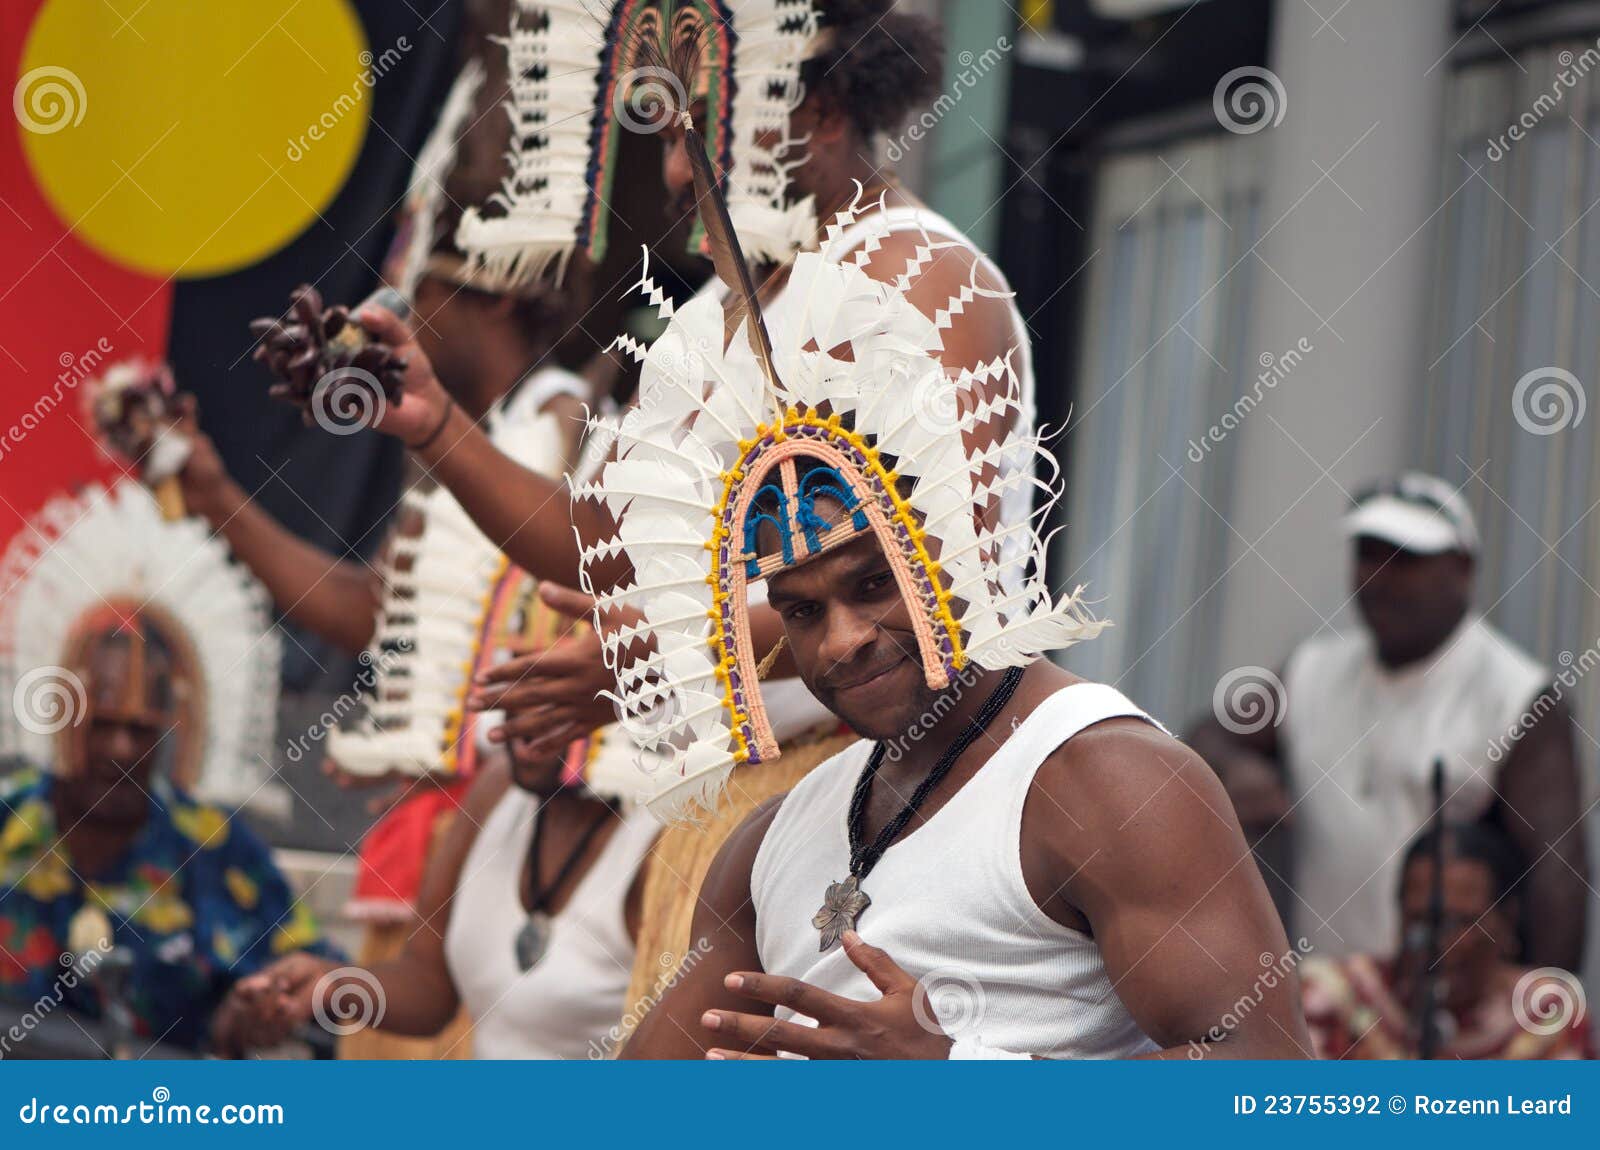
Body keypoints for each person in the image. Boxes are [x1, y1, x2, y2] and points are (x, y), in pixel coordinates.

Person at [564, 117, 1309, 1055]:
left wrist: (954, 1071)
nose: (839, 642)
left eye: (874, 584)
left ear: (957, 544)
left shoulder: (1113, 784)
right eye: (799, 609)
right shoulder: (771, 844)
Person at [1189, 473, 1589, 970]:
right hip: (1326, 994)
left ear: (1463, 568)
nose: (1382, 576)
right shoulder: (1311, 670)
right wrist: (1236, 766)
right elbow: (1202, 741)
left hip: (1443, 1014)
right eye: (1369, 553)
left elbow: (1558, 877)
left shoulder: (1517, 697)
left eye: (1407, 559)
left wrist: (1540, 1017)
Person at [0, 612, 336, 1056]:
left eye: (139, 729)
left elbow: (318, 982)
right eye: (101, 724)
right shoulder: (10, 822)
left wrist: (250, 1017)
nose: (120, 749)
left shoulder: (216, 849)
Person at [222, 741, 658, 1059]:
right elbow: (428, 988)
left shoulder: (667, 834)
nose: (507, 726)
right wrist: (328, 986)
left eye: (540, 700)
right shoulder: (500, 784)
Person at [1301, 821, 1593, 1059]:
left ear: (1505, 922)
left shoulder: (1547, 1015)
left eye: (1461, 922)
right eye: (1419, 920)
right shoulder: (1339, 999)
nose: (1438, 943)